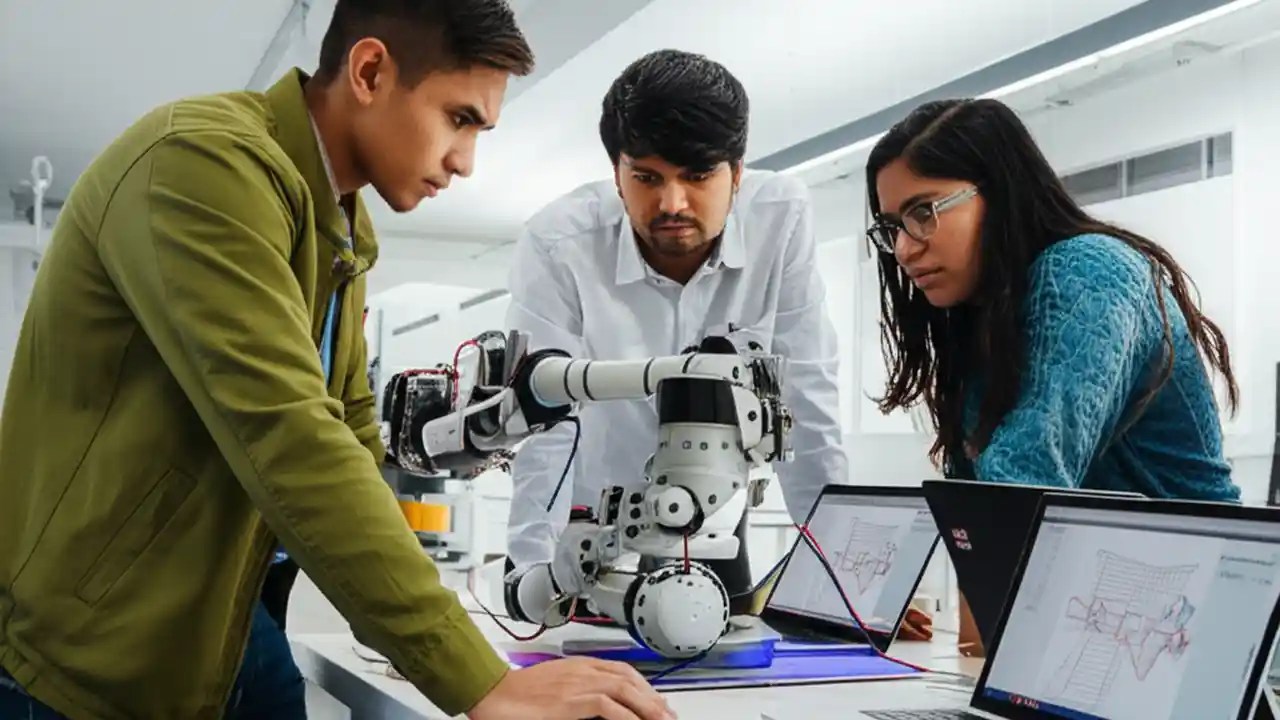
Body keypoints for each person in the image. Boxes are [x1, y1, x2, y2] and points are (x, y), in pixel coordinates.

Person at [0, 2, 673, 719]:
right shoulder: (199, 166)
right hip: (89, 647)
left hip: (225, 615)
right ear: (371, 71)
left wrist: (434, 632)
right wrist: (482, 680)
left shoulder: (341, 227)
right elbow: (291, 438)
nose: (465, 162)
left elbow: (351, 438)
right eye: (458, 119)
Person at [503, 49, 849, 615]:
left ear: (737, 173)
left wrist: (843, 588)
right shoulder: (557, 244)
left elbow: (807, 401)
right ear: (616, 173)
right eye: (646, 178)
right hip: (595, 534)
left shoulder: (780, 220)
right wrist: (531, 581)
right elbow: (546, 419)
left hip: (716, 521)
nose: (671, 203)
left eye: (697, 176)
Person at [864, 98, 1242, 502]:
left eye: (923, 212)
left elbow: (1024, 479)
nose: (903, 249)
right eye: (892, 227)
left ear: (999, 193)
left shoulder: (1092, 271)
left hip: (1191, 560)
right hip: (1094, 559)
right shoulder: (982, 316)